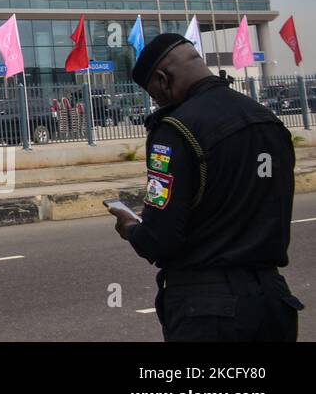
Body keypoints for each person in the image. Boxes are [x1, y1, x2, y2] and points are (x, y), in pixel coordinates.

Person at [110, 33, 303, 341]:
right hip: (273, 300)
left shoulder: (175, 130)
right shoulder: (267, 121)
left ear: (163, 79)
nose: (158, 102)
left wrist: (131, 228)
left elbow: (158, 239)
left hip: (208, 310)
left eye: (155, 95)